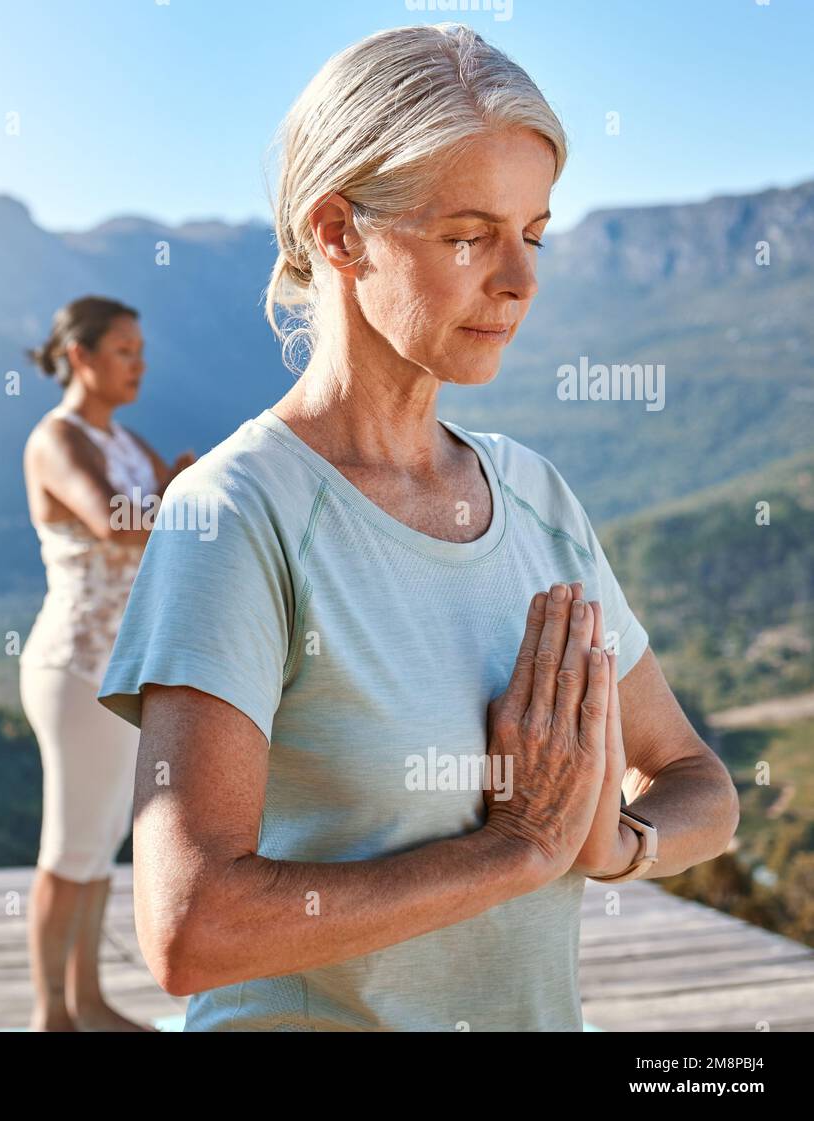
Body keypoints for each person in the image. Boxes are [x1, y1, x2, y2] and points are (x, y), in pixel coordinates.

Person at [95, 24, 739, 1031]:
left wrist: (612, 841)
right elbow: (188, 926)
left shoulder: (537, 498)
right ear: (339, 232)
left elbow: (699, 782)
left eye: (534, 233)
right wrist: (510, 848)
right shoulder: (237, 512)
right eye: (468, 235)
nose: (521, 282)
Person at [18, 295, 195, 1031]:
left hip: (122, 668)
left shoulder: (120, 437)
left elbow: (170, 503)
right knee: (68, 845)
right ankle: (49, 1015)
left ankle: (86, 1001)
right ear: (81, 356)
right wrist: (178, 492)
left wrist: (179, 491)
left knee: (97, 845)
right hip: (76, 666)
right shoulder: (57, 439)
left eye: (141, 351)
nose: (139, 365)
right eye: (124, 350)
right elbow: (117, 523)